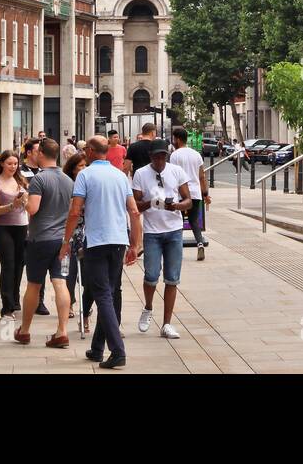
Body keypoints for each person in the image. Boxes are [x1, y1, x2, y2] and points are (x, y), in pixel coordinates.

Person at [61, 135, 142, 369]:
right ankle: (97, 348)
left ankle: (117, 351)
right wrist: (134, 245)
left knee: (103, 294)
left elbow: (75, 212)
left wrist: (66, 241)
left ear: (91, 152)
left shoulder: (85, 175)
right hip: (118, 241)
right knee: (109, 291)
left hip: (96, 241)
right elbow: (134, 212)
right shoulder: (119, 175)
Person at [15, 139, 73, 348]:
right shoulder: (68, 180)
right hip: (62, 240)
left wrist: (23, 199)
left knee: (34, 284)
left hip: (40, 239)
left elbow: (33, 209)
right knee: (60, 283)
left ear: (41, 155)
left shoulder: (39, 179)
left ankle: (25, 330)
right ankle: (62, 331)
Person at [132, 140, 193, 339]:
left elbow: (188, 200)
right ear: (150, 156)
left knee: (172, 277)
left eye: (163, 156)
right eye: (156, 156)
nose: (160, 160)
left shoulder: (176, 171)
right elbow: (136, 206)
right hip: (152, 232)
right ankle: (148, 307)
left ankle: (167, 323)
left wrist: (176, 206)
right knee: (151, 275)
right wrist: (151, 202)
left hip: (174, 230)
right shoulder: (141, 174)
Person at [0, 150, 29, 318]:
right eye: (10, 163)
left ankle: (15, 299)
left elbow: (27, 205)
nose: (13, 166)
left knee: (20, 264)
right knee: (8, 264)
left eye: (15, 163)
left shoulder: (21, 181)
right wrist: (12, 205)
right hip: (2, 227)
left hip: (21, 225)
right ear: (2, 163)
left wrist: (24, 202)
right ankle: (7, 305)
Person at [168, 125, 210, 259]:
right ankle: (199, 243)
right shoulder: (196, 154)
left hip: (180, 193)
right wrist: (205, 194)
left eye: (174, 139)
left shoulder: (174, 155)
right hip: (195, 193)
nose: (173, 141)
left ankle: (176, 248)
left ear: (178, 139)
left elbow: (172, 175)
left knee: (177, 220)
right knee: (194, 221)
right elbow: (202, 176)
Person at [62, 152, 91, 333]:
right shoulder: (67, 185)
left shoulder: (90, 182)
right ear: (72, 169)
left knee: (88, 274)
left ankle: (86, 307)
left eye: (85, 165)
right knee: (69, 271)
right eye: (80, 166)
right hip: (71, 231)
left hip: (88, 231)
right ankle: (70, 303)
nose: (83, 169)